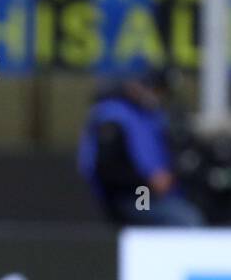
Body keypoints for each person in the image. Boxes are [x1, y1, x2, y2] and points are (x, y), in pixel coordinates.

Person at [77, 71, 205, 226]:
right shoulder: (113, 117)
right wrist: (149, 182)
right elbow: (109, 168)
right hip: (133, 196)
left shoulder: (150, 115)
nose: (158, 96)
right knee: (186, 219)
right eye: (156, 89)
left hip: (157, 193)